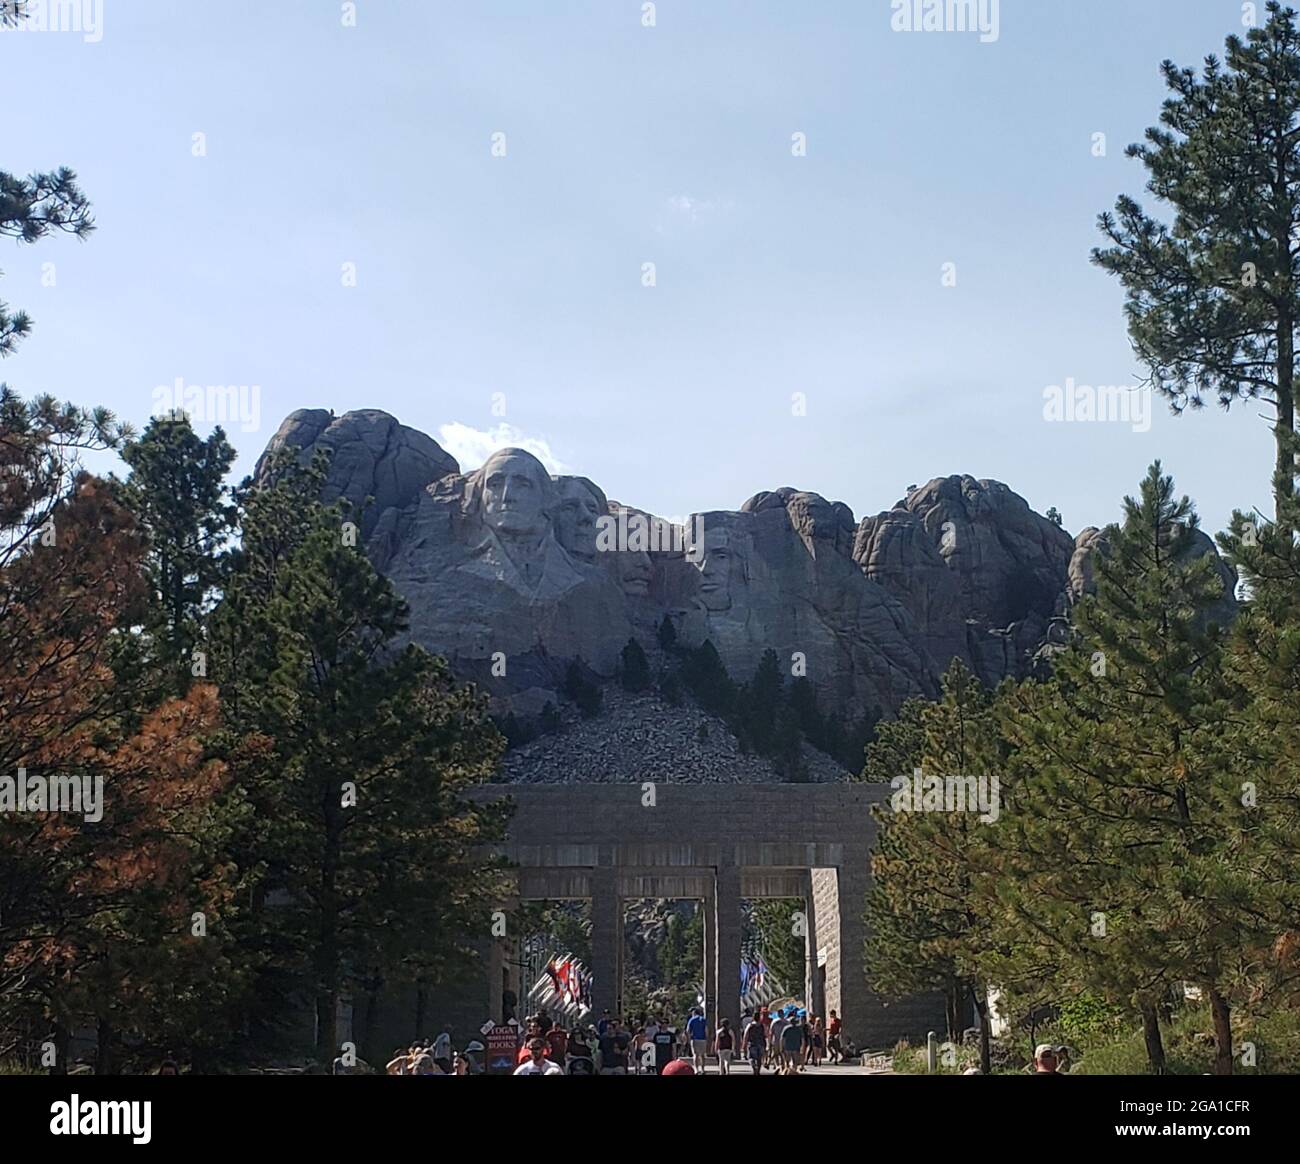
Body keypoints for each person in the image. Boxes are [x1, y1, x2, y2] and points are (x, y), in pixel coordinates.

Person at [742, 1010, 767, 1076]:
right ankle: (758, 1070)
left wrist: (744, 1044)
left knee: (751, 1058)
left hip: (752, 1043)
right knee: (759, 1059)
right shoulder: (762, 1025)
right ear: (759, 1018)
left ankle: (754, 1067)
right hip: (761, 1043)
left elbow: (746, 1035)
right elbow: (766, 1034)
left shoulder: (750, 1025)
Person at [685, 1007, 709, 1074]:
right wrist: (706, 1038)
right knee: (702, 1055)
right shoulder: (703, 1019)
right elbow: (706, 1030)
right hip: (703, 1039)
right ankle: (703, 1069)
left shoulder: (691, 1020)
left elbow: (688, 1030)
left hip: (695, 1039)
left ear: (694, 1013)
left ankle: (696, 1069)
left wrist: (689, 1039)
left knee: (695, 1055)